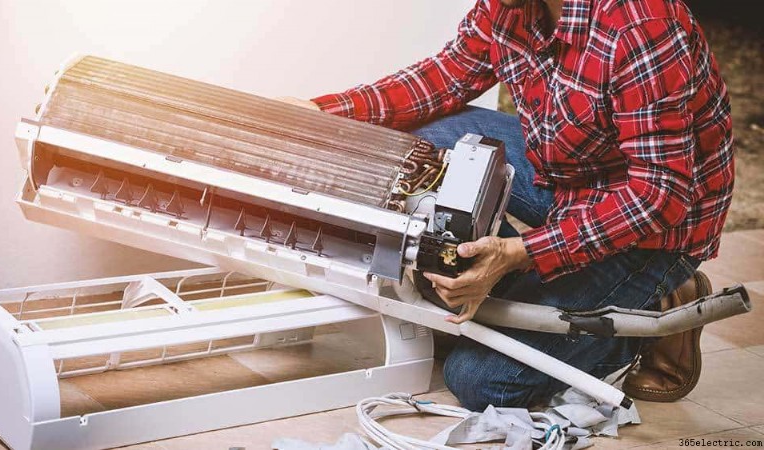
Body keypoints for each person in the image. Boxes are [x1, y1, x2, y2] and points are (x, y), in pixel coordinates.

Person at [280, 0, 734, 411]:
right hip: (568, 170)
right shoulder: (510, 4)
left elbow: (659, 194)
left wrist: (519, 253)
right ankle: (514, 281)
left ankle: (649, 313)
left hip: (652, 229)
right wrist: (322, 113)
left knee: (480, 381)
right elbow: (442, 78)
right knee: (423, 138)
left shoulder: (641, 25)